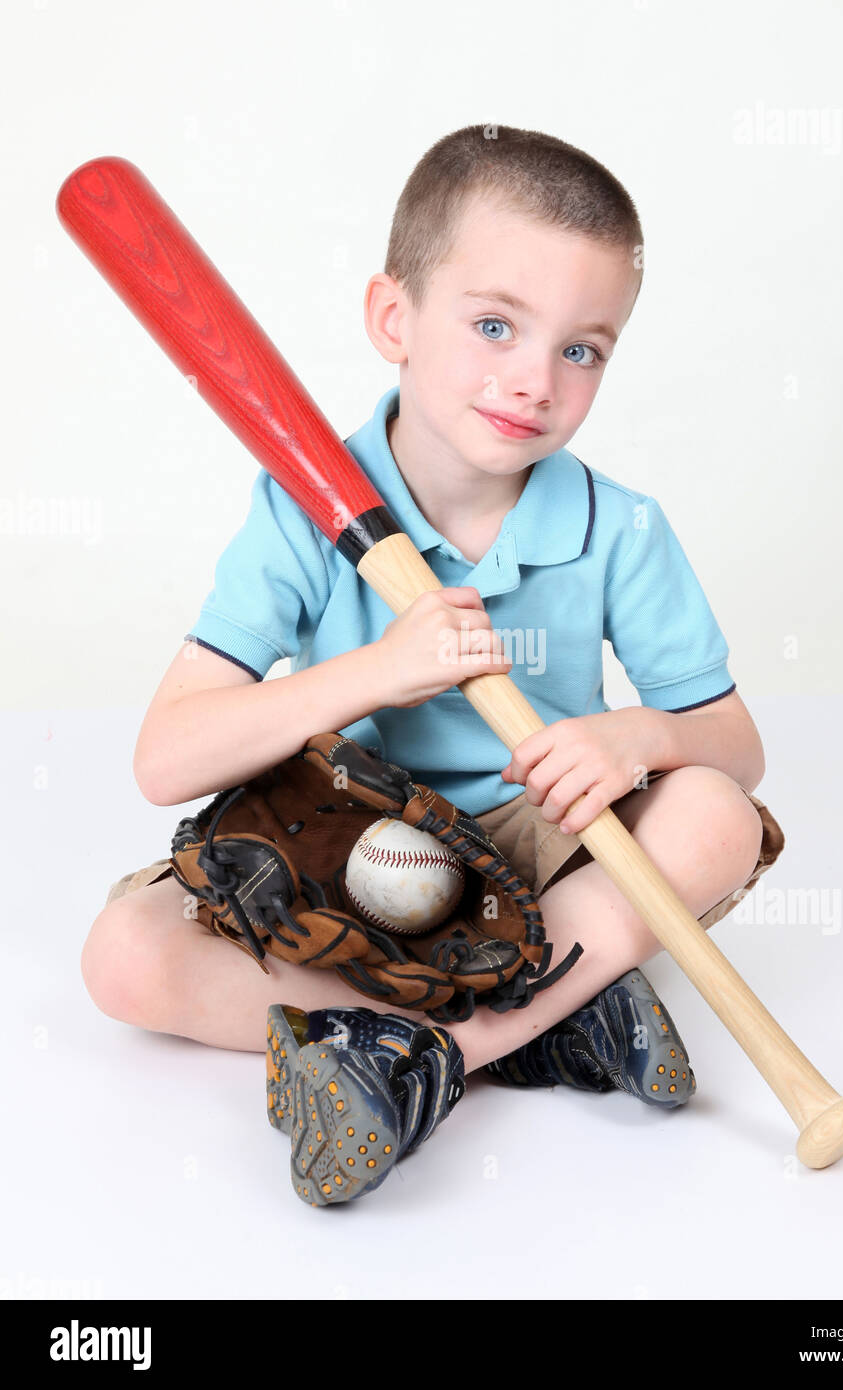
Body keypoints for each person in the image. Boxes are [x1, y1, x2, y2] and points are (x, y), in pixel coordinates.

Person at [83, 124, 785, 1205]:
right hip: (342, 845)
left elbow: (735, 749)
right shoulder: (295, 511)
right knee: (123, 956)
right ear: (393, 319)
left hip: (539, 850)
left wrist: (635, 736)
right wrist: (373, 672)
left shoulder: (621, 528)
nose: (534, 381)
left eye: (581, 348)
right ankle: (549, 1022)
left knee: (714, 818)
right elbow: (167, 758)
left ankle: (410, 1063)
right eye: (495, 324)